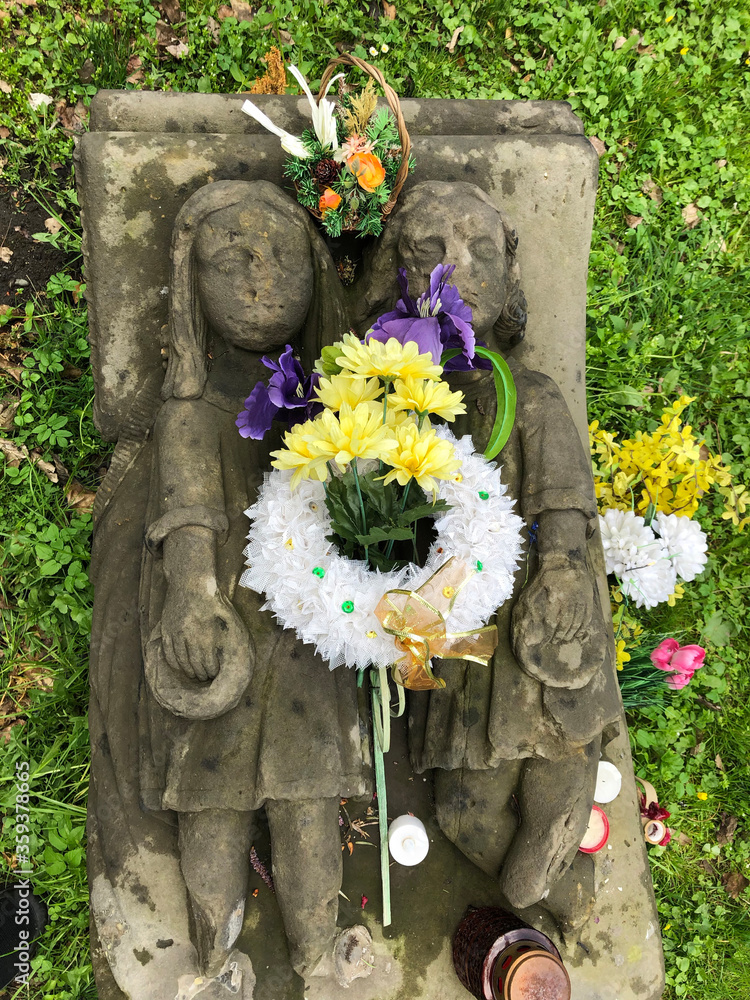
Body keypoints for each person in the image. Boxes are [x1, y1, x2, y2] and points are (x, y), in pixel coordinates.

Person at [89, 180, 371, 1000]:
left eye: (283, 256)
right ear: (190, 287)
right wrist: (190, 598)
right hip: (224, 640)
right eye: (231, 260)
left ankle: (319, 954)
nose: (260, 276)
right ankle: (215, 962)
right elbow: (187, 523)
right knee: (210, 819)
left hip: (308, 634)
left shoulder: (340, 408)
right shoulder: (191, 415)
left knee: (309, 809)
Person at [353, 181, 621, 930]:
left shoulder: (526, 393)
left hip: (536, 600)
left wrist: (565, 566)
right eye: (430, 251)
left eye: (477, 252)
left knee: (558, 733)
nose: (455, 268)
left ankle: (560, 808)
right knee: (464, 812)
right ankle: (553, 888)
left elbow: (564, 495)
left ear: (509, 280)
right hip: (455, 636)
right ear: (396, 275)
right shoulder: (387, 402)